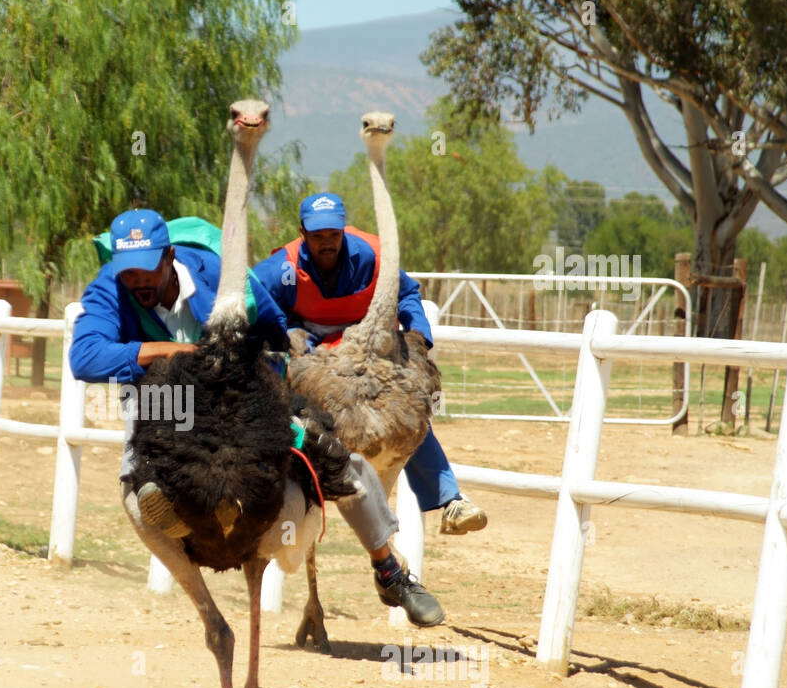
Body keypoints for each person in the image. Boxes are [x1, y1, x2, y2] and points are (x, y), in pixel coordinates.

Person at [69, 209, 444, 626]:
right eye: (126, 271)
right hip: (165, 392)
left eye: (144, 269)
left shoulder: (217, 272)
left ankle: (388, 569)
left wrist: (273, 387)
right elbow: (85, 358)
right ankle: (175, 513)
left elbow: (272, 326)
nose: (135, 280)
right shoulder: (110, 288)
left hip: (233, 386)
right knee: (138, 472)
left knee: (327, 452)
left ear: (168, 257)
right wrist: (170, 352)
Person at [252, 191, 488, 536]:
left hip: (363, 344)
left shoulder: (373, 255)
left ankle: (450, 499)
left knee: (406, 409)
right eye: (317, 237)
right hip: (310, 348)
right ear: (303, 233)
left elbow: (406, 292)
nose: (327, 243)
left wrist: (419, 337)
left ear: (343, 231)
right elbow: (250, 295)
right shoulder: (283, 267)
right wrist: (282, 336)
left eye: (333, 235)